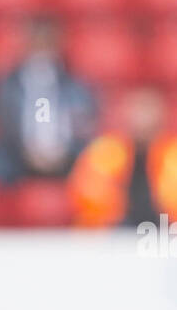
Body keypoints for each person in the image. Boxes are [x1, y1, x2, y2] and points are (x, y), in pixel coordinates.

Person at [0, 14, 97, 185]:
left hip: (67, 161)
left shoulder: (77, 87)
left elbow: (84, 125)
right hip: (18, 162)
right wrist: (30, 152)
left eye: (47, 44)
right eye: (37, 43)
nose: (42, 51)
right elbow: (3, 127)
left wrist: (60, 152)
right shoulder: (7, 86)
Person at [68, 86, 177, 227]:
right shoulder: (106, 151)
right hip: (114, 233)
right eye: (139, 111)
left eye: (148, 111)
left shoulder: (172, 154)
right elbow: (87, 198)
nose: (143, 120)